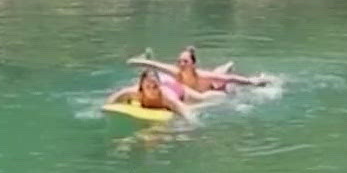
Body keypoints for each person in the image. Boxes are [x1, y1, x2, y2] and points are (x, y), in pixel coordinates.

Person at [128, 46, 269, 92]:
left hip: (212, 87)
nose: (181, 64)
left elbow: (230, 79)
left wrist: (253, 82)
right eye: (180, 61)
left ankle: (228, 65)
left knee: (221, 77)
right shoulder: (175, 72)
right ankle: (226, 66)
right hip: (193, 91)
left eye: (185, 61)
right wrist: (136, 61)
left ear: (193, 64)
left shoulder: (202, 75)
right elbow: (155, 65)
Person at [104, 68, 196, 120]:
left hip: (176, 88)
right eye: (148, 87)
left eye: (155, 87)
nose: (152, 90)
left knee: (201, 98)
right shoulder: (136, 93)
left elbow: (185, 110)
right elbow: (116, 97)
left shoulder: (167, 98)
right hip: (160, 80)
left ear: (159, 86)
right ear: (142, 87)